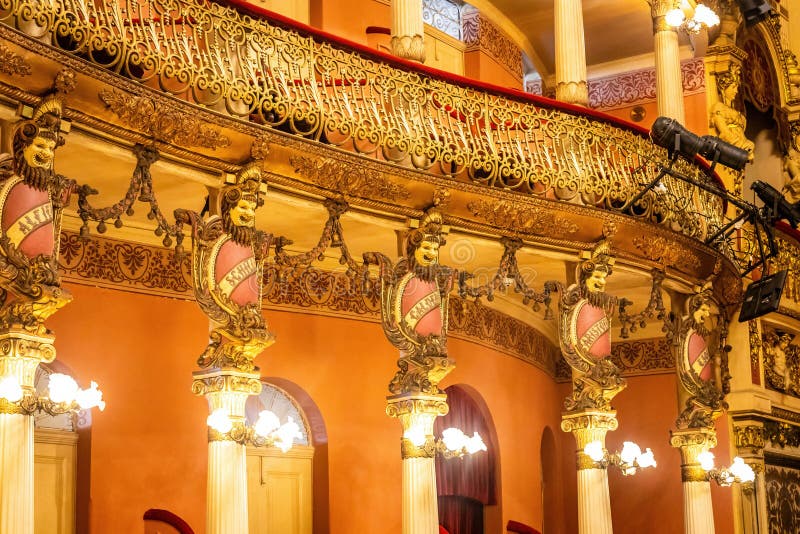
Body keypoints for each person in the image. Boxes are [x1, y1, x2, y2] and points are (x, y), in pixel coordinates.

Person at [709, 65, 755, 162]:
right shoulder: (719, 108)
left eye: (737, 87)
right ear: (723, 88)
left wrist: (749, 145)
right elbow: (724, 132)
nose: (736, 91)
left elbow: (741, 134)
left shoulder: (739, 115)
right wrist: (742, 145)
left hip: (741, 150)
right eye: (733, 87)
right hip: (731, 150)